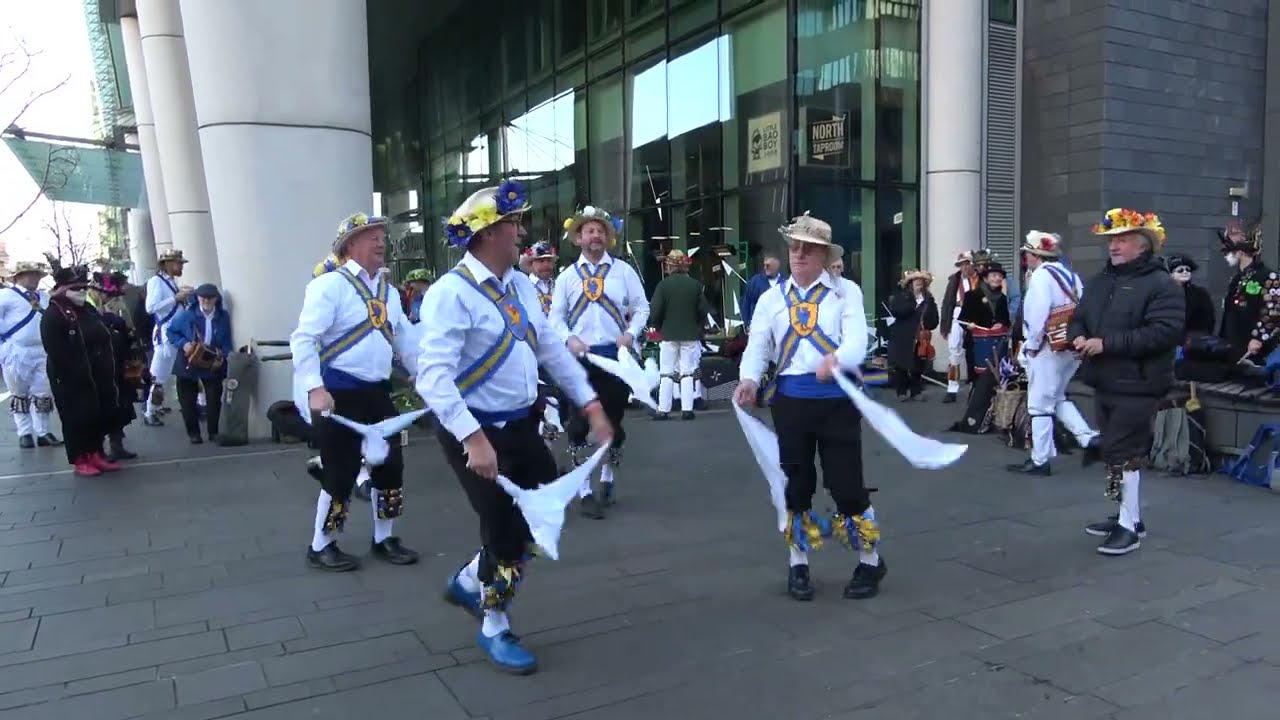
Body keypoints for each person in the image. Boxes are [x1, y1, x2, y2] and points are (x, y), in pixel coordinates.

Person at [421, 181, 612, 674]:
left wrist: (590, 404)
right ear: (486, 235)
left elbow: (548, 346)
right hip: (475, 433)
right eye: (512, 224)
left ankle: (469, 579)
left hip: (522, 427)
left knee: (540, 513)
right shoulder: (450, 295)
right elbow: (433, 378)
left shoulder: (520, 285)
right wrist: (473, 439)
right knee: (505, 532)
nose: (521, 232)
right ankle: (495, 627)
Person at [734, 212, 882, 601]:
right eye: (794, 247)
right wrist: (748, 379)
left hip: (837, 403)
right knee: (796, 487)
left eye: (808, 248)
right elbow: (758, 347)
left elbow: (856, 339)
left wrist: (838, 359)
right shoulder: (771, 298)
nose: (798, 254)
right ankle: (797, 563)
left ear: (823, 254)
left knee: (847, 488)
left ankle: (870, 561)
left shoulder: (844, 291)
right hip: (791, 404)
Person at [290, 212, 423, 572]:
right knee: (341, 472)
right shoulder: (328, 286)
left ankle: (385, 538)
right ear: (349, 246)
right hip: (338, 394)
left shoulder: (390, 292)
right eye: (371, 236)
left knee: (391, 467)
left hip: (378, 393)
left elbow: (406, 341)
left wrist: (423, 376)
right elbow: (304, 340)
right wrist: (315, 389)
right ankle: (322, 545)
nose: (381, 242)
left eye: (382, 235)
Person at [1070, 208, 1184, 555]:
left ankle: (1129, 527)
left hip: (1139, 382)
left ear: (1143, 246)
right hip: (1104, 379)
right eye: (1111, 241)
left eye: (1122, 240)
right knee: (1117, 450)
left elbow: (1163, 332)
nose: (1114, 246)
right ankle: (1129, 517)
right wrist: (1077, 337)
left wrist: (1106, 344)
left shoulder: (1162, 284)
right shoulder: (1100, 280)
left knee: (1126, 451)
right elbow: (1079, 317)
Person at [549, 205, 648, 519]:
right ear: (578, 238)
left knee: (613, 423)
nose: (596, 236)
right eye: (590, 230)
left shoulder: (623, 272)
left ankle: (607, 477)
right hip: (579, 359)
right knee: (579, 424)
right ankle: (584, 489)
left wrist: (631, 334)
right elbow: (555, 318)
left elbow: (641, 307)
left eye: (601, 231)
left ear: (608, 237)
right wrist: (569, 339)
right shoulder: (566, 277)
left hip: (613, 359)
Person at [1006, 231, 1100, 475]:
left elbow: (1037, 317)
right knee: (1056, 397)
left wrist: (1031, 347)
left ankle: (1040, 460)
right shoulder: (1070, 274)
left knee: (1039, 406)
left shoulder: (1039, 278)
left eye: (1027, 254)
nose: (1025, 258)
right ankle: (1088, 438)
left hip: (1048, 347)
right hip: (1070, 345)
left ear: (1034, 255)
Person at [40, 262, 124, 477]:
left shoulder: (85, 309)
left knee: (95, 414)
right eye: (76, 289)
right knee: (75, 417)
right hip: (70, 375)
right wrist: (72, 374)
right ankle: (80, 457)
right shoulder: (53, 314)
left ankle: (95, 452)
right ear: (63, 289)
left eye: (83, 288)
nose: (81, 292)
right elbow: (56, 350)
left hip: (95, 371)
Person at [1, 261, 60, 448]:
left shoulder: (43, 296)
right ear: (18, 277)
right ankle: (24, 433)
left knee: (43, 392)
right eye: (30, 274)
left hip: (42, 350)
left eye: (36, 275)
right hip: (16, 351)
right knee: (19, 393)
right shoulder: (6, 295)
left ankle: (43, 432)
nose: (34, 278)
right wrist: (5, 342)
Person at [649, 249, 712, 420]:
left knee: (667, 372)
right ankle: (687, 409)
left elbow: (655, 312)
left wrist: (657, 326)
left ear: (669, 266)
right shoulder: (695, 285)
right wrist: (697, 325)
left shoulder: (663, 286)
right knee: (687, 372)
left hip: (668, 334)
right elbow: (702, 310)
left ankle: (663, 409)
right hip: (690, 334)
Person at [166, 284, 233, 444]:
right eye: (203, 298)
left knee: (214, 398)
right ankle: (194, 433)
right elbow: (171, 331)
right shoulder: (188, 315)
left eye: (210, 298)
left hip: (211, 360)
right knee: (187, 400)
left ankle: (213, 432)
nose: (206, 301)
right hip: (188, 359)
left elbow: (227, 340)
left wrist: (223, 355)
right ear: (198, 298)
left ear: (216, 299)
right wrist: (184, 344)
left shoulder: (223, 316)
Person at [89, 271, 141, 460]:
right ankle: (98, 450)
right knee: (102, 407)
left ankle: (117, 444)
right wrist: (114, 320)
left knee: (120, 404)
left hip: (117, 361)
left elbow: (125, 326)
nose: (105, 296)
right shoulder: (88, 307)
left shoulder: (112, 304)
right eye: (102, 292)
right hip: (98, 365)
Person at [143, 250, 195, 426]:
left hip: (177, 330)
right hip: (166, 332)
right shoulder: (156, 282)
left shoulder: (171, 282)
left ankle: (158, 407)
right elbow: (151, 307)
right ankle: (150, 411)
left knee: (186, 366)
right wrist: (175, 298)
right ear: (167, 264)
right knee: (160, 374)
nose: (180, 266)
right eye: (178, 263)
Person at [1217, 220, 1278, 363]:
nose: (1226, 255)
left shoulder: (1268, 277)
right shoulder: (1237, 278)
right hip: (1233, 347)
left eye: (1230, 250)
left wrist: (1258, 338)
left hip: (1255, 350)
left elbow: (1273, 312)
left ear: (1241, 251)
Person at [885, 270, 939, 401]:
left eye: (921, 281)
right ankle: (901, 391)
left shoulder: (929, 300)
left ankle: (916, 391)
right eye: (916, 281)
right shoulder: (902, 297)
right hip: (903, 335)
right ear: (910, 284)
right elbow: (898, 312)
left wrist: (928, 321)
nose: (919, 283)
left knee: (918, 364)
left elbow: (934, 320)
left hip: (920, 338)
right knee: (901, 365)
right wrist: (913, 303)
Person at [957, 261, 1011, 372]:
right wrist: (969, 325)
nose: (997, 278)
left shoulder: (1002, 298)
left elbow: (1006, 320)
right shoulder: (972, 296)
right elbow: (962, 319)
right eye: (994, 275)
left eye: (1000, 276)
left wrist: (1000, 323)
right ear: (985, 278)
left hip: (997, 345)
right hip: (976, 344)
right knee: (978, 380)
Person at [939, 252, 979, 403]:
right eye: (962, 264)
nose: (964, 267)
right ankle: (952, 388)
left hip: (973, 316)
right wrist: (945, 324)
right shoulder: (954, 280)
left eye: (967, 263)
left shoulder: (979, 279)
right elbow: (946, 302)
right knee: (954, 351)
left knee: (973, 351)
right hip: (956, 315)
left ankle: (974, 386)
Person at [1164, 254, 1215, 338]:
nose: (1185, 272)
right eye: (1180, 270)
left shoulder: (1200, 293)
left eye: (1188, 270)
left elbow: (1208, 319)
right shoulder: (1164, 293)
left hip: (1194, 340)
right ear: (1171, 274)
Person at [741, 253, 786, 331]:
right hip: (760, 327)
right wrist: (747, 324)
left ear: (777, 265)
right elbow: (746, 302)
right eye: (764, 265)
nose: (765, 268)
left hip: (781, 328)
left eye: (768, 265)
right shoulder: (755, 281)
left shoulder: (786, 281)